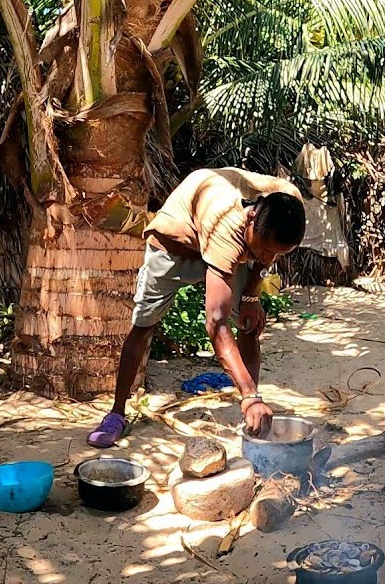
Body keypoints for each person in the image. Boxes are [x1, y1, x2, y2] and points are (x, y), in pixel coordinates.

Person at [88, 168, 307, 448]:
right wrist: (250, 394)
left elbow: (264, 254)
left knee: (249, 323)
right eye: (267, 251)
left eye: (279, 254)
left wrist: (251, 296)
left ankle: (251, 412)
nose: (271, 259)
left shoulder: (286, 205)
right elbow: (216, 322)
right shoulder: (226, 225)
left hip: (236, 248)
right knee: (143, 326)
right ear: (250, 219)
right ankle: (116, 413)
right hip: (174, 248)